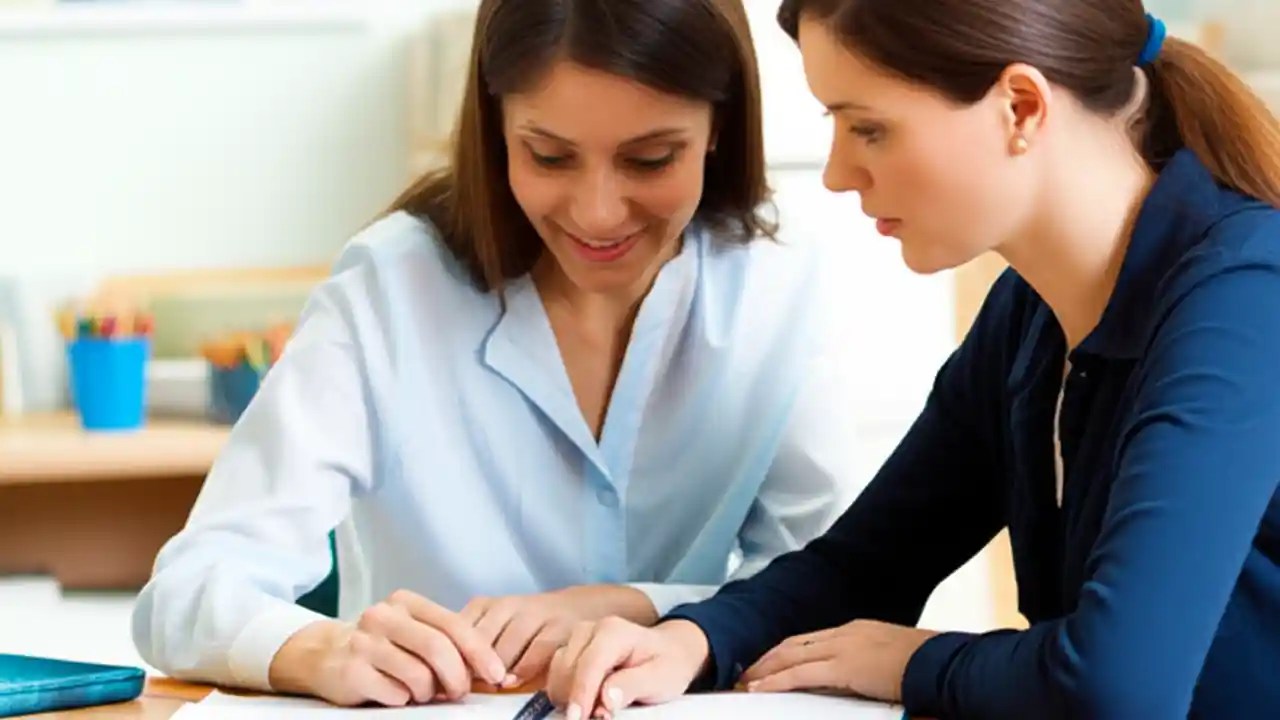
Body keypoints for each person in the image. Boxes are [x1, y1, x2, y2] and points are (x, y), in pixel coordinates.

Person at [545, 1, 1280, 718]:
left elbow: (1117, 686)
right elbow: (866, 565)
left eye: (868, 127)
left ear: (1020, 107)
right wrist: (694, 639)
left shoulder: (1246, 297)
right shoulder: (1027, 317)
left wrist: (908, 663)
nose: (838, 172)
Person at [130, 0, 868, 709]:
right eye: (548, 156)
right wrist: (321, 650)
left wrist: (637, 608)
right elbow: (188, 592)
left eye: (650, 159)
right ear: (496, 128)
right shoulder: (394, 288)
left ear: (719, 127)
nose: (597, 211)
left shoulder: (775, 284)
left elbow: (835, 582)